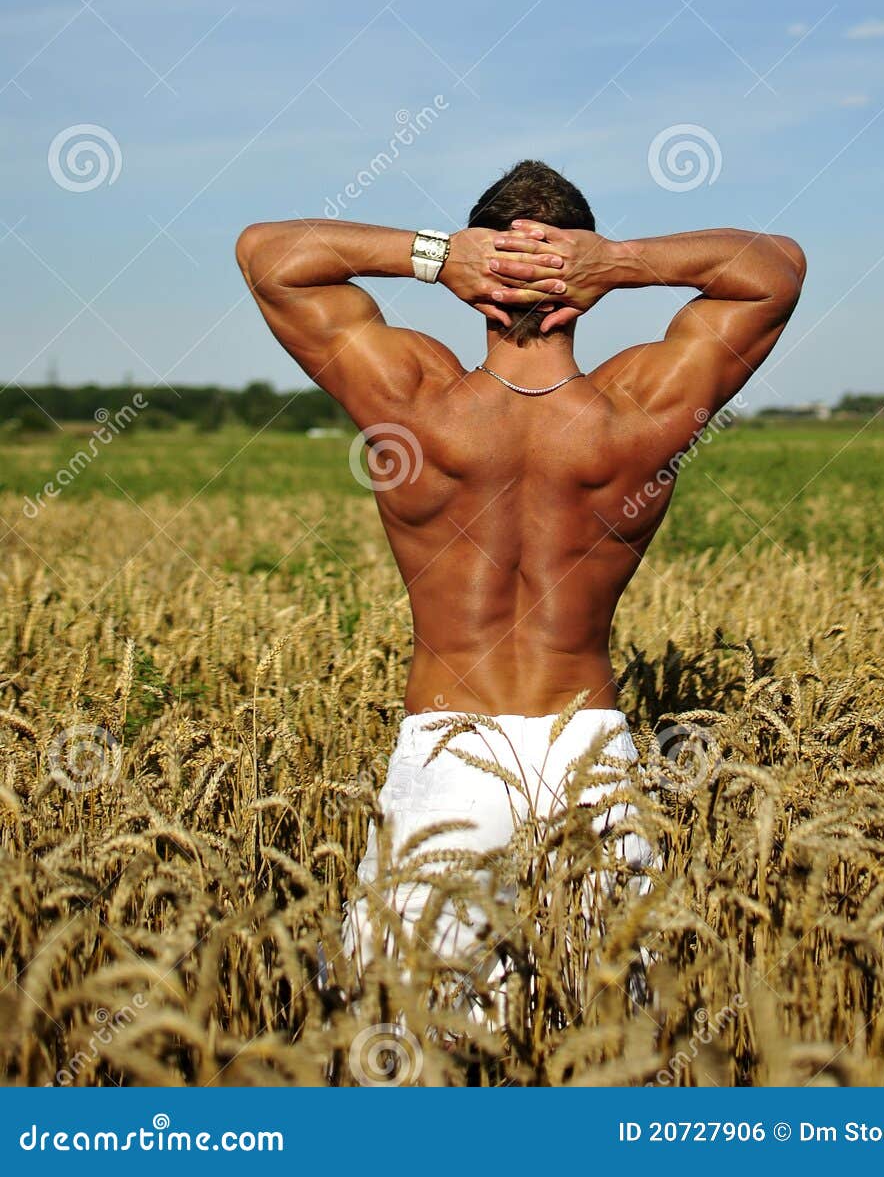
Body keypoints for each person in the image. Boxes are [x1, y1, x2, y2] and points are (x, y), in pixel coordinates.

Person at [235, 159, 805, 979]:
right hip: (590, 762)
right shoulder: (639, 409)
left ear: (478, 269)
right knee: (607, 1030)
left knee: (417, 1037)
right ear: (582, 267)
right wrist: (621, 263)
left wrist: (436, 256)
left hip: (446, 759)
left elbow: (268, 253)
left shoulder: (412, 400)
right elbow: (774, 269)